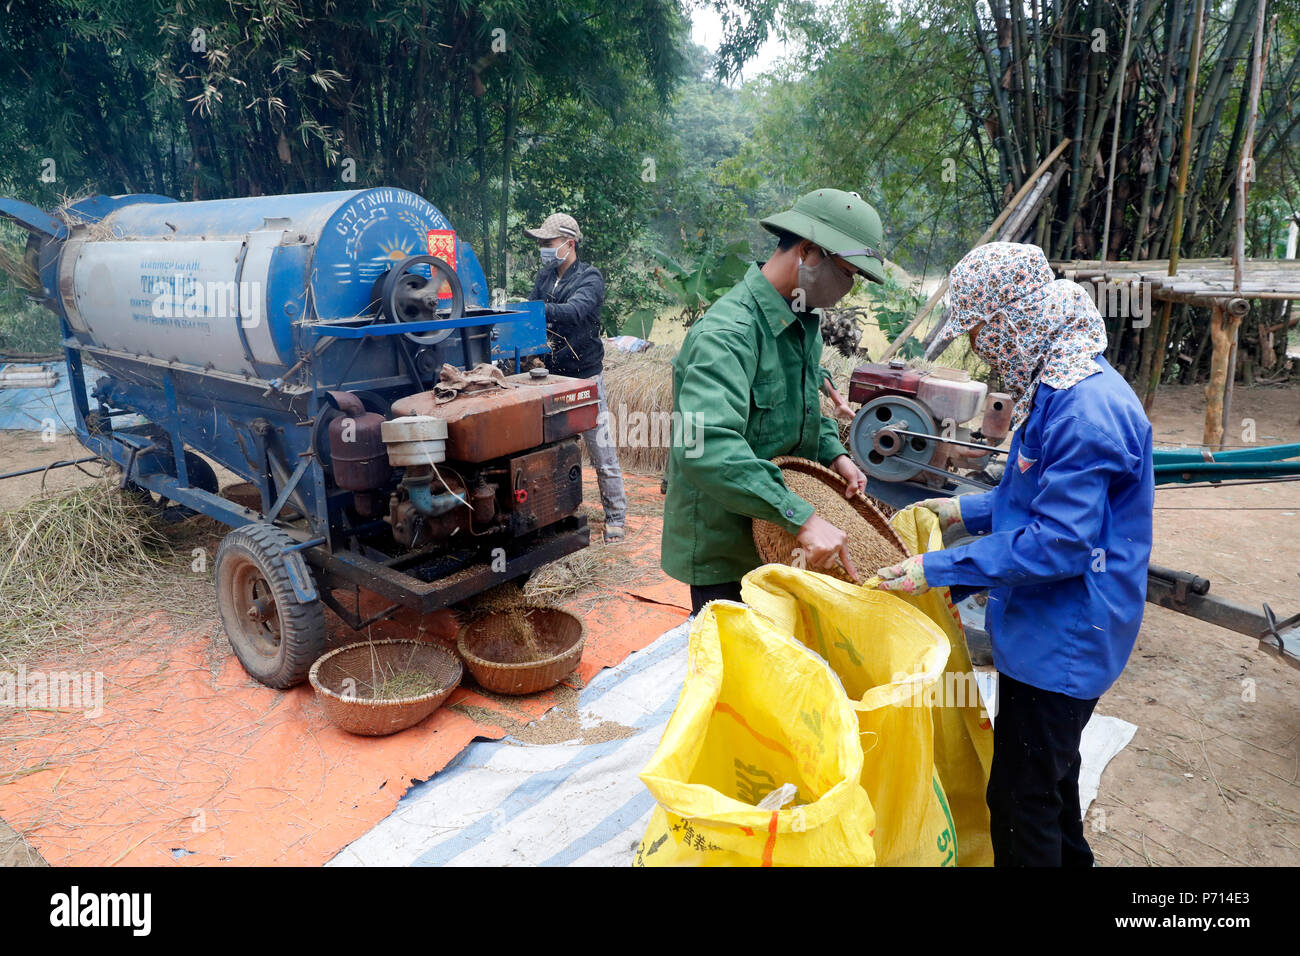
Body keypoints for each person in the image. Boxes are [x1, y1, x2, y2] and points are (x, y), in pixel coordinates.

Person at [873, 241, 1155, 867]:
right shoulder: (1057, 380)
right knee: (1050, 785)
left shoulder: (1084, 410)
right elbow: (1034, 494)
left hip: (1066, 638)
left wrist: (935, 569)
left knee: (1019, 803)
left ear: (1011, 320)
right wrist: (960, 510)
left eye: (980, 332)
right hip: (1049, 629)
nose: (980, 349)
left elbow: (1057, 545)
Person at [660, 188, 886, 615]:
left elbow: (804, 408)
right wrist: (801, 518)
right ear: (808, 252)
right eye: (847, 272)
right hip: (726, 544)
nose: (849, 287)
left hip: (780, 534)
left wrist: (835, 455)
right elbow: (704, 445)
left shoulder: (802, 323)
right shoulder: (727, 335)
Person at [524, 212, 627, 543]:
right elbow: (529, 313)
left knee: (602, 450)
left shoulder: (590, 278)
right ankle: (557, 515)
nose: (542, 248)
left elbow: (574, 312)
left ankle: (616, 517)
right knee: (552, 451)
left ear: (569, 244)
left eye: (547, 242)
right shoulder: (545, 277)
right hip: (551, 377)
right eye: (540, 243)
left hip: (585, 379)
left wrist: (535, 310)